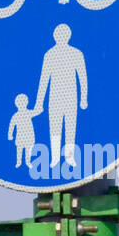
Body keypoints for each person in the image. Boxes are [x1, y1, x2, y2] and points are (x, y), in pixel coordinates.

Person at [32, 23, 87, 168]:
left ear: (68, 36)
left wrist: (84, 98)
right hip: (55, 98)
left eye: (63, 34)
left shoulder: (76, 54)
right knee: (55, 128)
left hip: (70, 97)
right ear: (55, 36)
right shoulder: (50, 55)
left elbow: (82, 77)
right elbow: (44, 80)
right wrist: (39, 103)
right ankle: (55, 158)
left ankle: (69, 158)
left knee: (70, 127)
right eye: (58, 35)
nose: (60, 37)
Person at [7, 93, 39, 168]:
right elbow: (12, 126)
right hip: (20, 137)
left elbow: (36, 112)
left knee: (28, 150)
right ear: (17, 104)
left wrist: (39, 109)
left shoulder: (28, 113)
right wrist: (10, 135)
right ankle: (18, 162)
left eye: (24, 102)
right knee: (19, 150)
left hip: (29, 136)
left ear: (27, 103)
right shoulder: (16, 115)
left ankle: (28, 162)